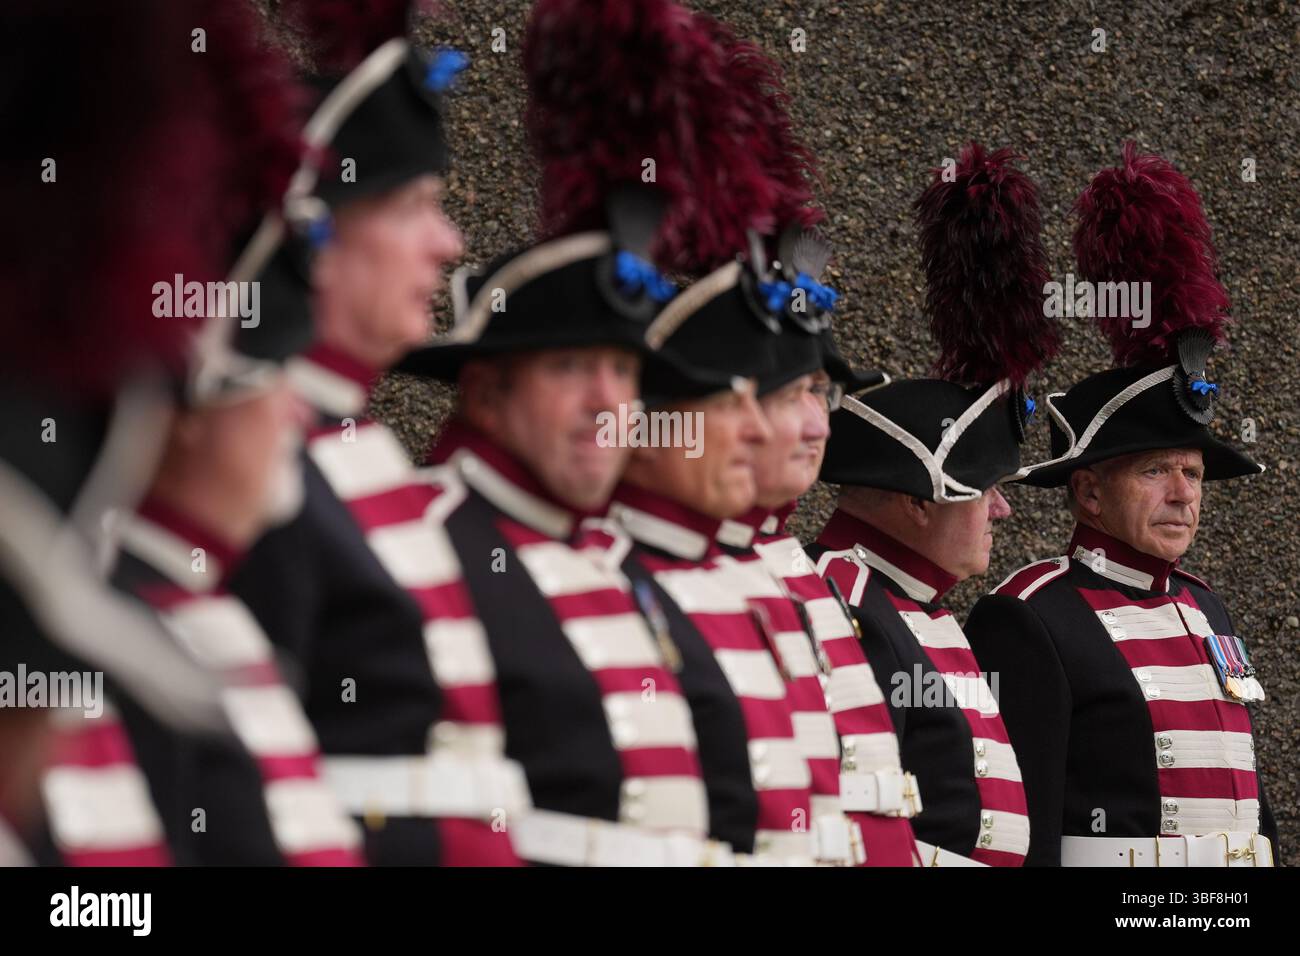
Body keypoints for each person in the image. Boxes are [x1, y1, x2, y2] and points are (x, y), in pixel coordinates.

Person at [226, 0, 530, 866]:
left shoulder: (356, 449)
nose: (449, 243)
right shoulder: (251, 459)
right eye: (413, 207)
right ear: (310, 237)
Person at [964, 142, 1278, 867]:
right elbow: (1023, 828)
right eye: (1156, 471)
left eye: (1193, 473)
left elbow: (1248, 805)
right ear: (1089, 490)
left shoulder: (1205, 606)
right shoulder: (1030, 614)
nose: (1182, 495)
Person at [807, 145, 1061, 866]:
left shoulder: (917, 606)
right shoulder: (838, 601)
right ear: (917, 503)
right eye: (982, 489)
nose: (1002, 512)